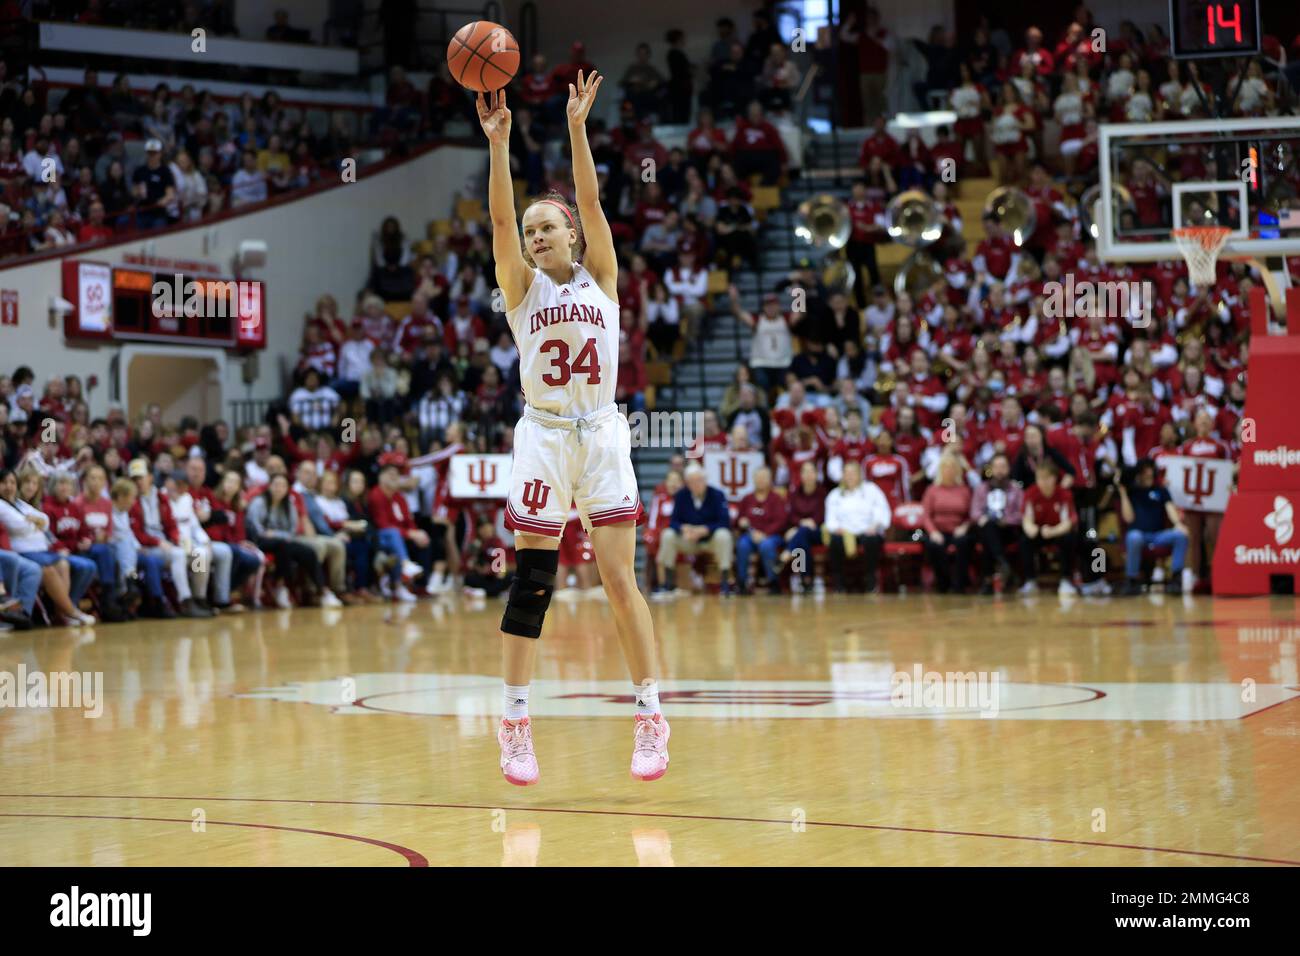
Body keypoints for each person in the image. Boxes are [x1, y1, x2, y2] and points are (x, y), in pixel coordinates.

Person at [478, 74, 669, 785]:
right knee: (534, 579)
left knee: (621, 579)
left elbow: (590, 198)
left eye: (547, 226)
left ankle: (651, 713)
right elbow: (499, 223)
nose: (535, 234)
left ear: (572, 237)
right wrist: (498, 146)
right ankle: (515, 721)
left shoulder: (602, 279)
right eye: (531, 231)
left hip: (601, 432)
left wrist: (578, 128)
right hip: (546, 434)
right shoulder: (522, 288)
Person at [0, 467, 96, 626]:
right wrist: (35, 522)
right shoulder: (2, 504)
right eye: (4, 482)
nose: (9, 486)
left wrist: (36, 521)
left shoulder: (18, 503)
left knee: (64, 564)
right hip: (23, 551)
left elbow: (45, 521)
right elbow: (19, 526)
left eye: (12, 482)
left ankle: (62, 613)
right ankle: (70, 611)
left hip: (41, 550)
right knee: (48, 570)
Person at [655, 463, 735, 598]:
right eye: (692, 482)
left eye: (700, 480)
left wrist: (705, 529)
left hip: (710, 539)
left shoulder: (717, 495)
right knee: (668, 535)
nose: (697, 484)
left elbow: (725, 522)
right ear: (687, 483)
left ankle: (725, 585)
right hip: (689, 540)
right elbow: (673, 521)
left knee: (724, 535)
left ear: (705, 480)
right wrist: (683, 528)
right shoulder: (681, 496)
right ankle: (668, 585)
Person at [1118, 458, 1189, 595]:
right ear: (1139, 474)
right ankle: (1132, 580)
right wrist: (1123, 493)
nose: (1147, 473)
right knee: (1134, 537)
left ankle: (1176, 578)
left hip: (1158, 535)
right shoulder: (1132, 492)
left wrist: (1178, 524)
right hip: (1139, 534)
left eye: (1149, 469)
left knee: (1180, 536)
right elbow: (1128, 518)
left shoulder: (1161, 491)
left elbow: (1170, 509)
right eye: (1144, 471)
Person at [822, 460, 890, 594]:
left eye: (853, 473)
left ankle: (871, 580)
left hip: (868, 530)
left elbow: (882, 511)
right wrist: (837, 529)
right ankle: (838, 582)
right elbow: (830, 519)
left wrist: (875, 525)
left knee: (872, 540)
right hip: (844, 533)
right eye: (846, 473)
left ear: (860, 475)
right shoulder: (835, 494)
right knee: (835, 540)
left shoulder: (872, 490)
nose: (850, 476)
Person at [968, 452, 1023, 594]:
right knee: (988, 528)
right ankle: (1003, 563)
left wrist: (1008, 520)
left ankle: (987, 581)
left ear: (1008, 468)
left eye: (1003, 466)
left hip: (1008, 530)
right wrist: (984, 519)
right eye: (997, 466)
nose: (1000, 470)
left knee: (989, 537)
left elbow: (1022, 513)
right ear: (991, 469)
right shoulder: (981, 488)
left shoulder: (1016, 489)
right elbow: (974, 513)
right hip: (988, 528)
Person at [1020, 461, 1079, 595]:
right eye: (1039, 478)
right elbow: (1026, 519)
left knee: (1069, 538)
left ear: (1054, 478)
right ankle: (1030, 581)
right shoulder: (1030, 493)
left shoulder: (1064, 494)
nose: (1042, 481)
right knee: (1024, 540)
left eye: (1046, 478)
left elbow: (1068, 522)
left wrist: (1053, 531)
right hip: (1040, 531)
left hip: (1058, 531)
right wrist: (1034, 530)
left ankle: (1066, 580)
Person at [920, 454, 973, 593]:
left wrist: (964, 527)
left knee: (964, 542)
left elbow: (970, 515)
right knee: (933, 545)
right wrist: (933, 532)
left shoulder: (964, 490)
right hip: (938, 530)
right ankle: (943, 582)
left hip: (958, 530)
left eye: (952, 468)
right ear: (940, 470)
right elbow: (926, 515)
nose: (948, 471)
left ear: (957, 471)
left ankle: (960, 584)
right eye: (945, 468)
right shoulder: (932, 490)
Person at [734, 465, 788, 594]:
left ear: (770, 480)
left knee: (766, 545)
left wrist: (765, 534)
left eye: (764, 477)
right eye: (758, 477)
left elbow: (781, 521)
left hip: (771, 536)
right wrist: (741, 522)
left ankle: (773, 582)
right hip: (750, 535)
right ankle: (742, 582)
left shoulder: (776, 499)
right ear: (753, 479)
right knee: (742, 545)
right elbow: (737, 520)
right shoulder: (747, 499)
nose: (761, 480)